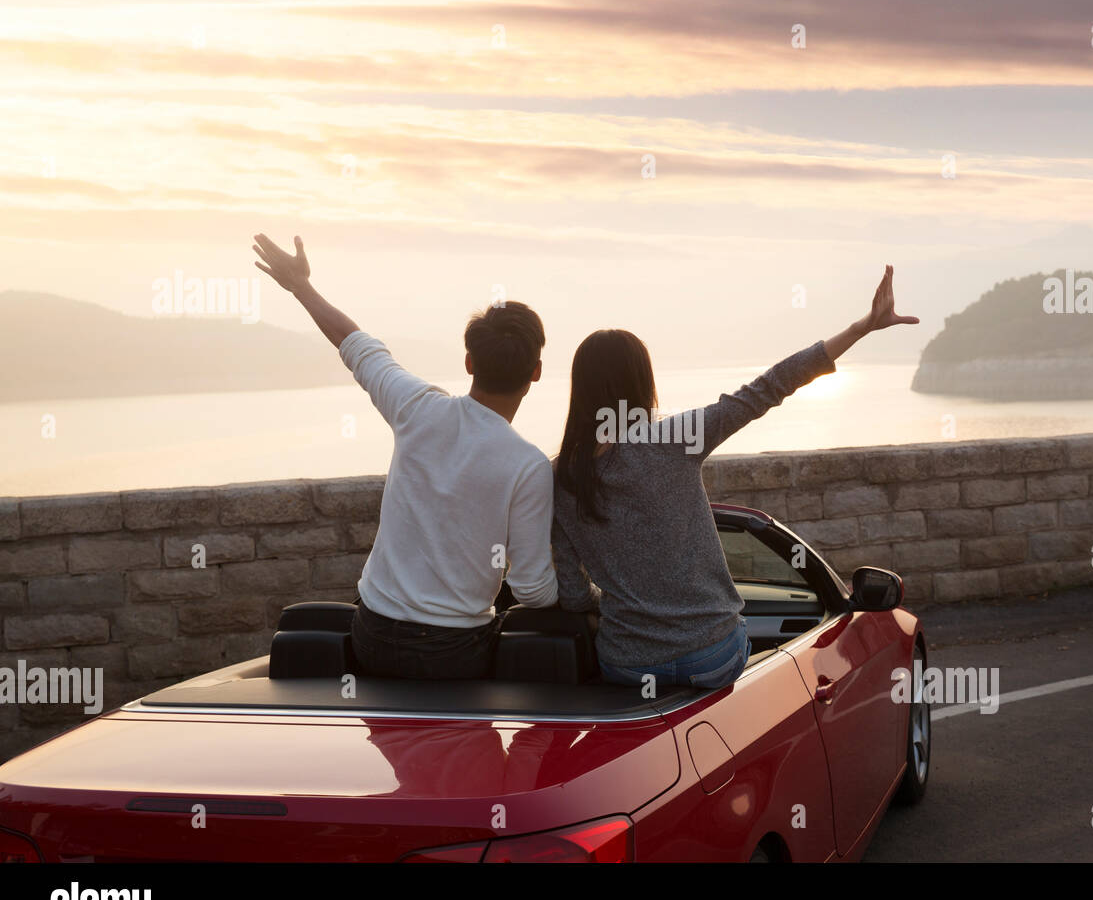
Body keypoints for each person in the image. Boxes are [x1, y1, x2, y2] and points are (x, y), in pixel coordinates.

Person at [551, 265, 918, 690]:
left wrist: (615, 605)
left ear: (580, 391)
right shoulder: (675, 439)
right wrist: (860, 328)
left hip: (628, 667)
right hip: (710, 657)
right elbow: (767, 388)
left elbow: (572, 593)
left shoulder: (561, 476)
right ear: (640, 382)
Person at [252, 234, 558, 679]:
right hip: (455, 654)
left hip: (372, 637)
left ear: (469, 362)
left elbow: (355, 345)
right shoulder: (528, 465)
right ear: (537, 371)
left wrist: (301, 286)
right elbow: (532, 590)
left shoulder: (416, 408)